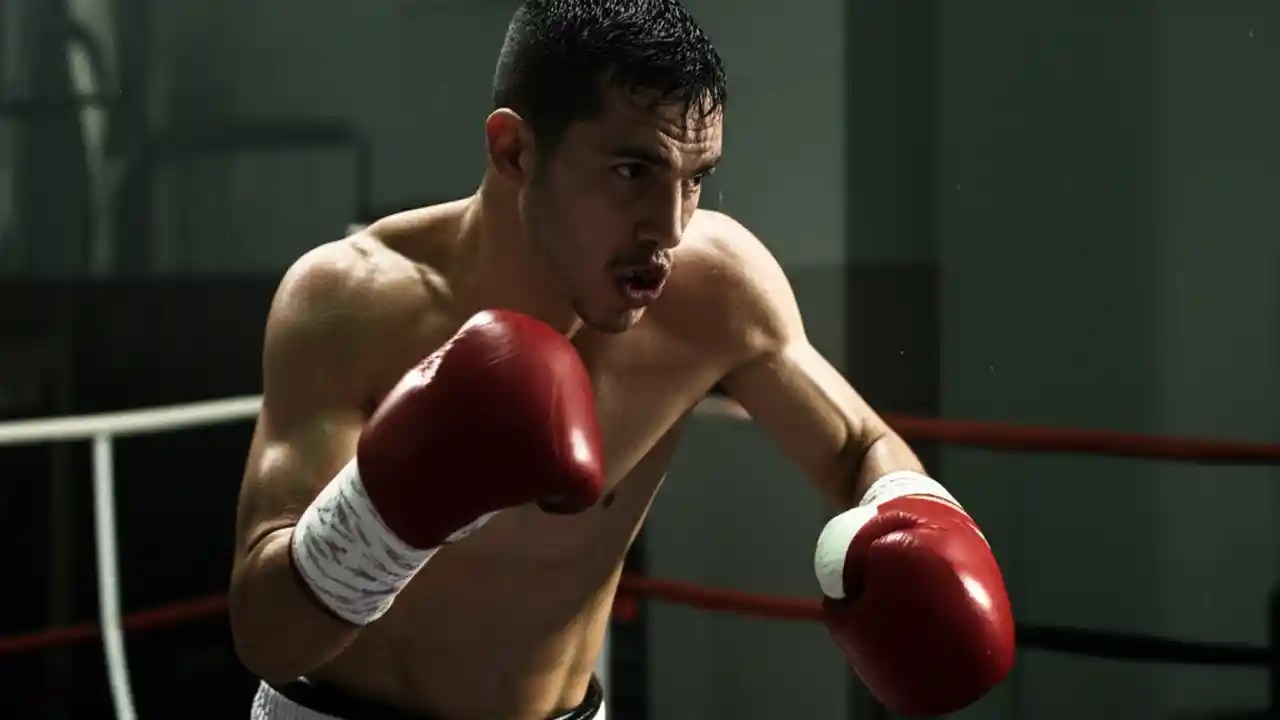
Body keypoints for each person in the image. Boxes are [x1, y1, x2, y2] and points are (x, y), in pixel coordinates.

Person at [229, 1, 1015, 718]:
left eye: (696, 179)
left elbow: (855, 446)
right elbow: (269, 637)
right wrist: (387, 510)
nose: (668, 229)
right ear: (514, 152)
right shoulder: (351, 301)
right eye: (632, 171)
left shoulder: (715, 291)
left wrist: (912, 514)